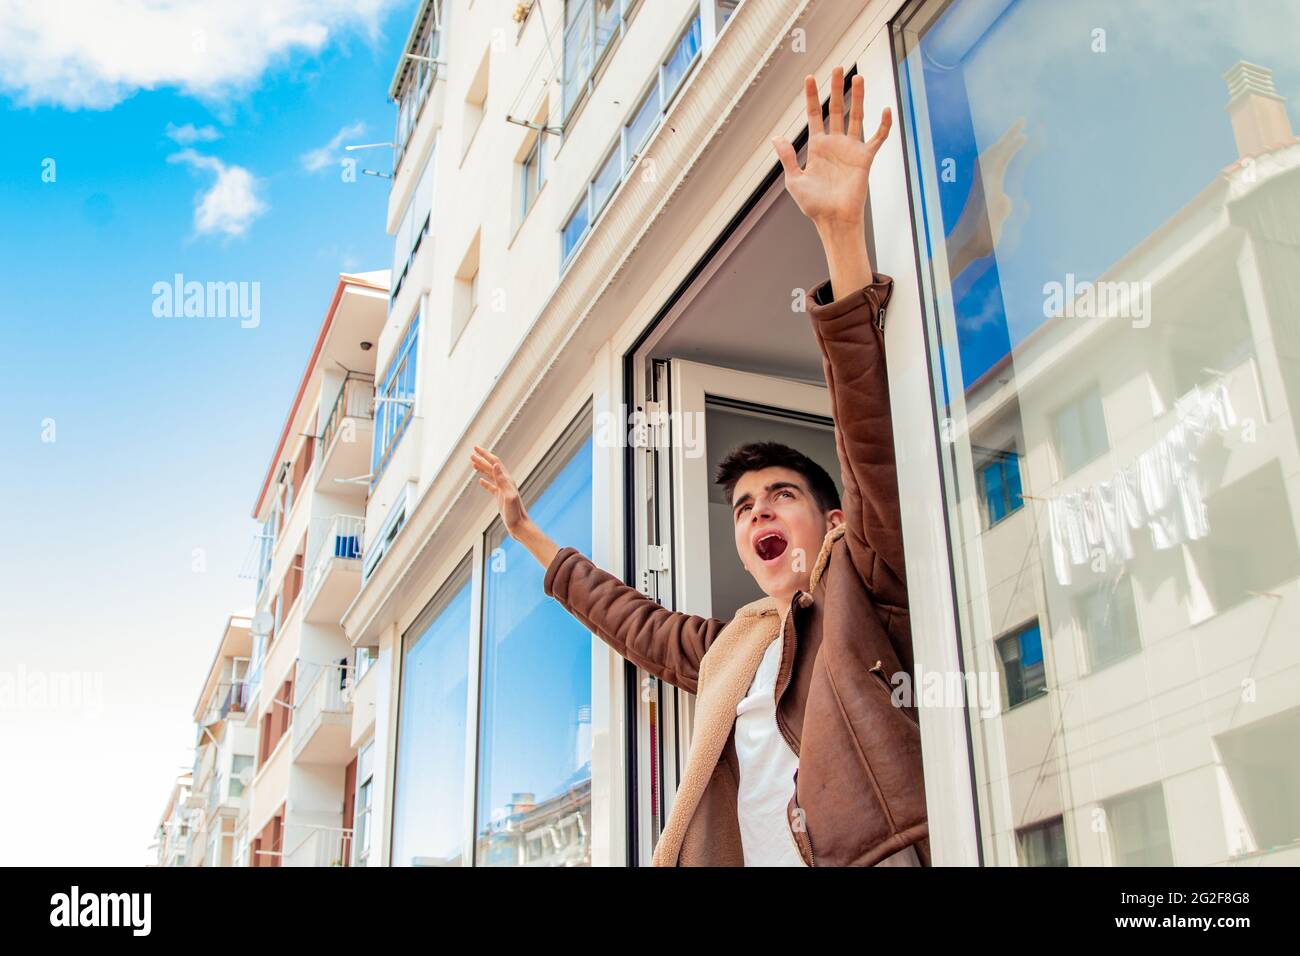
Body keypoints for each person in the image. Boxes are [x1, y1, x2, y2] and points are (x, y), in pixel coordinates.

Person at [470, 68, 928, 867]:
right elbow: (632, 621)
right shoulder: (732, 650)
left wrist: (842, 239)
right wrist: (526, 533)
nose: (755, 513)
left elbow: (869, 441)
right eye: (744, 506)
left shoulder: (868, 587)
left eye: (780, 495)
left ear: (832, 523)